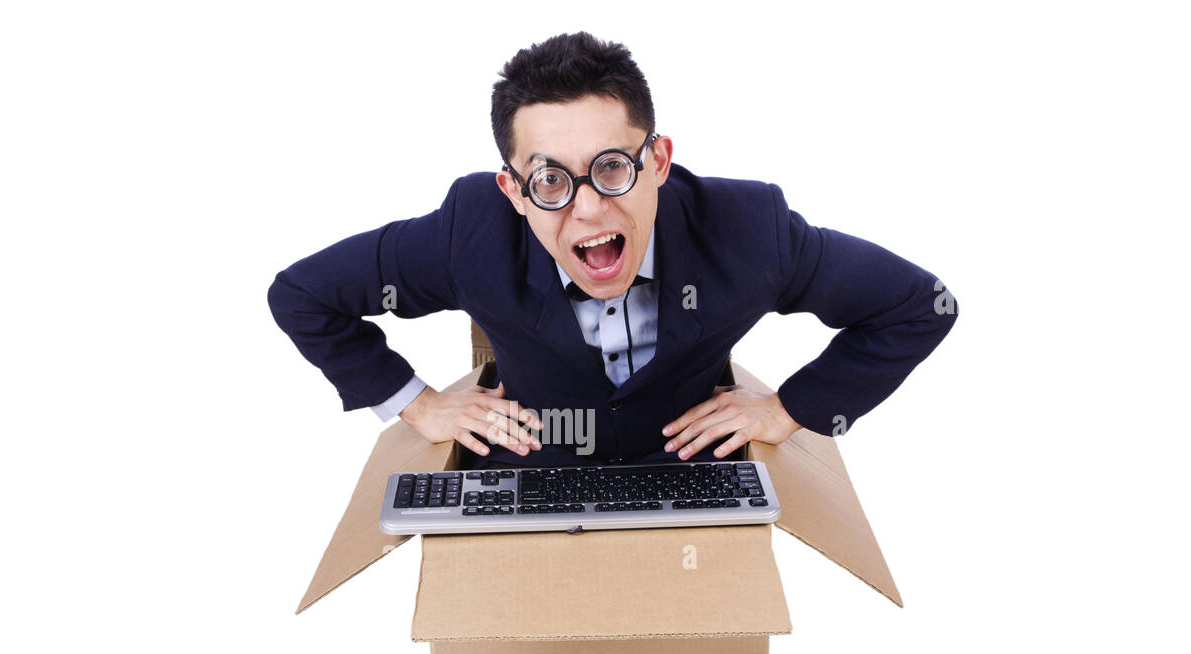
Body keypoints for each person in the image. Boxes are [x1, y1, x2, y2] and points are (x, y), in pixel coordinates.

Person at [268, 32, 957, 470]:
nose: (589, 207)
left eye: (612, 168)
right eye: (550, 180)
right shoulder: (469, 232)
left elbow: (919, 305)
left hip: (690, 483)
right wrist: (417, 403)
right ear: (512, 189)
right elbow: (302, 295)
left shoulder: (750, 231)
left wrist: (789, 409)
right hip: (533, 485)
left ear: (657, 160)